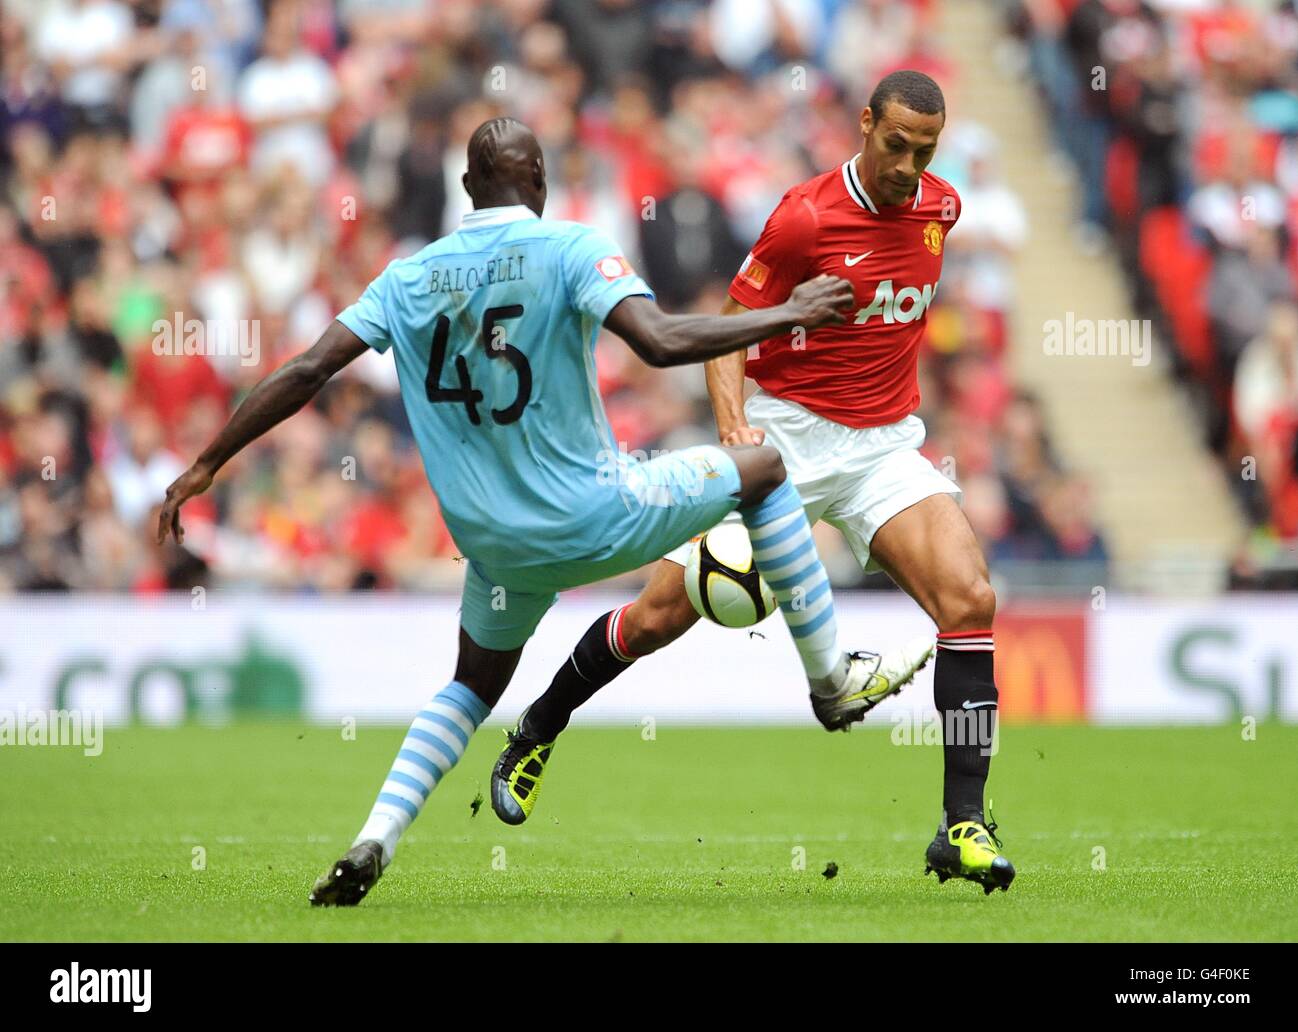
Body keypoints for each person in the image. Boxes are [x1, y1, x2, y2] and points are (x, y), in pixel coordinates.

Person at [155, 117, 931, 907]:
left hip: (495, 549)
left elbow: (309, 369)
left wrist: (208, 461)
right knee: (764, 468)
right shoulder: (569, 247)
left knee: (468, 688)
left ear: (465, 189)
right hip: (600, 512)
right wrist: (790, 313)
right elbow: (660, 343)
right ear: (540, 183)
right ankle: (831, 679)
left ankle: (373, 840)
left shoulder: (405, 279)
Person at [495, 71, 1016, 895]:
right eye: (895, 145)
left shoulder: (941, 210)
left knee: (971, 601)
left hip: (881, 447)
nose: (908, 166)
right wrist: (735, 426)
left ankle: (964, 825)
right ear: (865, 123)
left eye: (925, 151)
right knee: (663, 612)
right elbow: (732, 326)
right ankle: (538, 726)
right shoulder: (805, 215)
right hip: (786, 437)